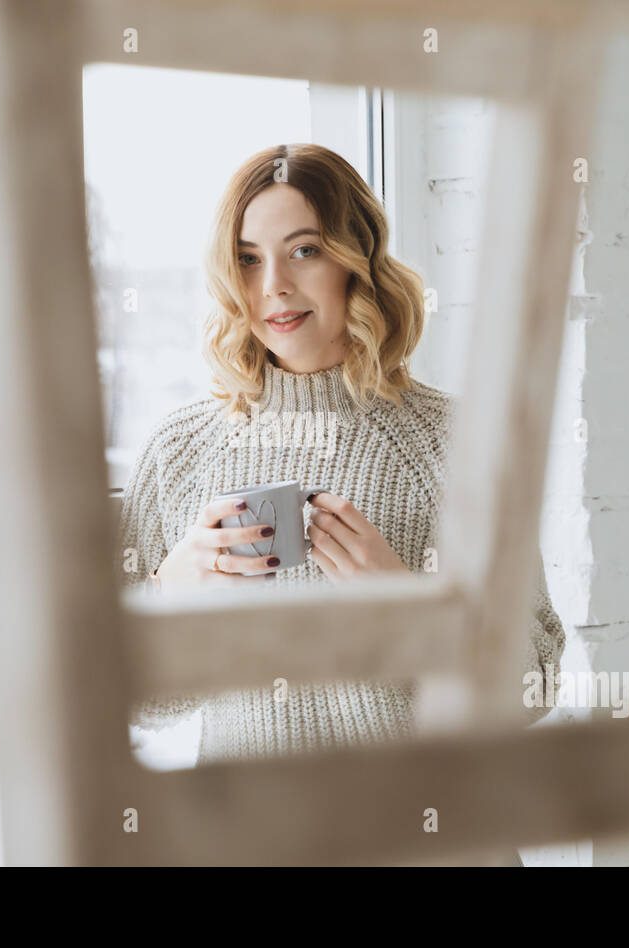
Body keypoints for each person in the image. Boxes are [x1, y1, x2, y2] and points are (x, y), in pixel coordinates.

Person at [116, 143, 566, 771]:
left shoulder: (457, 443)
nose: (273, 285)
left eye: (304, 250)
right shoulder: (179, 451)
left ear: (356, 261)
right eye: (248, 259)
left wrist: (411, 611)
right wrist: (171, 593)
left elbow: (535, 682)